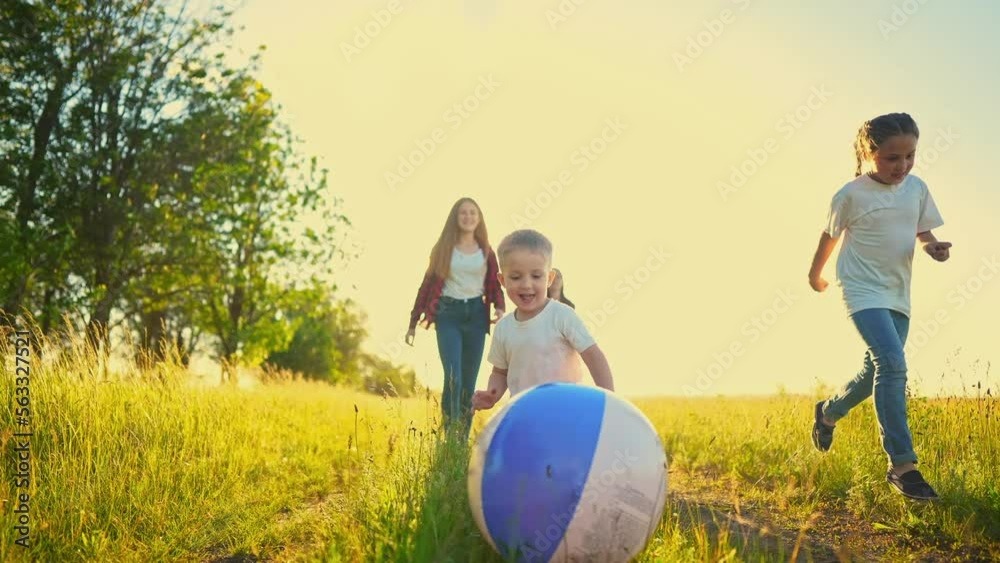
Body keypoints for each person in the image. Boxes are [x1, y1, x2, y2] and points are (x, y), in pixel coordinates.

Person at [808, 113, 951, 501]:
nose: (901, 166)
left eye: (909, 156)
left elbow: (922, 230)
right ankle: (903, 466)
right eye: (892, 158)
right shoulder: (850, 194)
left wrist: (932, 248)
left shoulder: (916, 189)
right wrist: (815, 275)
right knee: (892, 363)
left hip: (898, 294)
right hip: (860, 291)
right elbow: (829, 236)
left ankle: (828, 413)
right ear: (869, 153)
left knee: (876, 368)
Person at [472, 229, 613, 412]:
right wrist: (492, 393)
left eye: (536, 276)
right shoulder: (504, 329)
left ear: (550, 278)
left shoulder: (562, 316)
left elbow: (593, 356)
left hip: (567, 410)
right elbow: (500, 372)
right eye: (515, 277)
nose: (526, 284)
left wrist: (610, 398)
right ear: (502, 280)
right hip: (524, 414)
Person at [406, 198, 505, 439]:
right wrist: (412, 323)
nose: (468, 216)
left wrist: (500, 308)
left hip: (476, 317)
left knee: (469, 384)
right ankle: (449, 435)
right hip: (448, 314)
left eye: (473, 213)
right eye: (463, 213)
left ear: (479, 218)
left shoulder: (487, 251)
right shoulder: (442, 249)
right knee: (454, 378)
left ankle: (460, 441)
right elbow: (426, 284)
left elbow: (494, 284)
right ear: (455, 217)